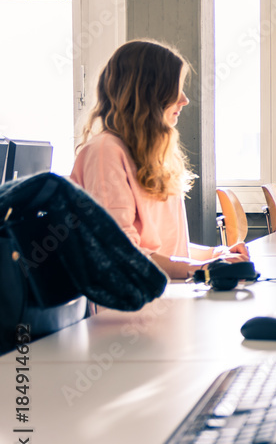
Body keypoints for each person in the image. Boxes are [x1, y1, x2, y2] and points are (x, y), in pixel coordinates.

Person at [70, 39, 249, 280]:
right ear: (148, 93)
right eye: (175, 88)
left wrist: (216, 255)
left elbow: (165, 250)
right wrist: (204, 270)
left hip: (170, 297)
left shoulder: (151, 153)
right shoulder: (105, 152)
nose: (184, 99)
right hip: (132, 311)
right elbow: (122, 254)